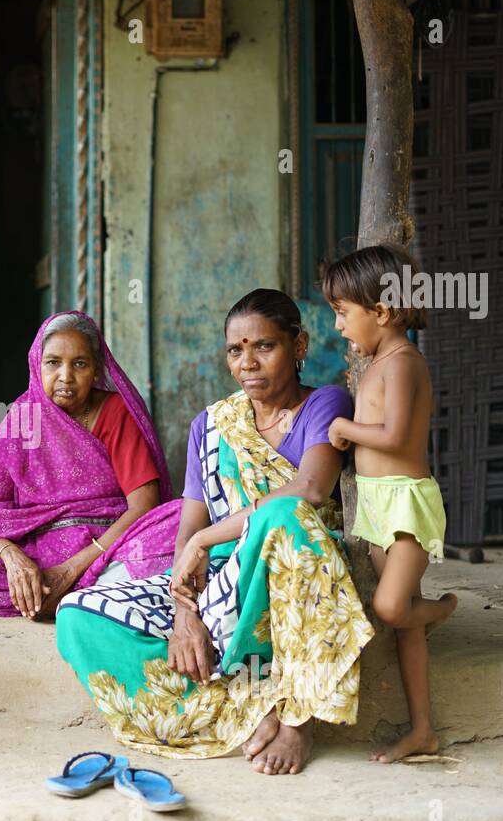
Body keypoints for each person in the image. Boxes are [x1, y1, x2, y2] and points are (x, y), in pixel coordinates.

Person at [55, 289, 375, 774]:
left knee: (281, 516)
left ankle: (296, 716)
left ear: (300, 346)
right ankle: (243, 711)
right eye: (235, 350)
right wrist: (186, 615)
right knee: (78, 614)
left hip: (289, 575)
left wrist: (207, 541)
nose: (247, 362)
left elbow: (309, 490)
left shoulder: (325, 403)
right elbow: (189, 529)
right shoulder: (211, 426)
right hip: (218, 589)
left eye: (264, 346)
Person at [0, 311, 179, 620]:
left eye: (80, 364)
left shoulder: (114, 411)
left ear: (97, 369)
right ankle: (58, 597)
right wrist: (14, 559)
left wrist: (70, 569)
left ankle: (63, 596)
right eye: (53, 362)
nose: (66, 376)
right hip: (36, 555)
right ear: (36, 365)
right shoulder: (21, 417)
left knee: (181, 518)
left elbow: (144, 505)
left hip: (106, 550)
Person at [323, 245, 459, 763]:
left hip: (405, 504)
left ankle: (441, 610)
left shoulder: (403, 364)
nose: (338, 325)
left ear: (381, 313)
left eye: (343, 313)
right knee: (405, 629)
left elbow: (397, 434)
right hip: (378, 504)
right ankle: (423, 729)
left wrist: (344, 427)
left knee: (392, 608)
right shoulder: (378, 360)